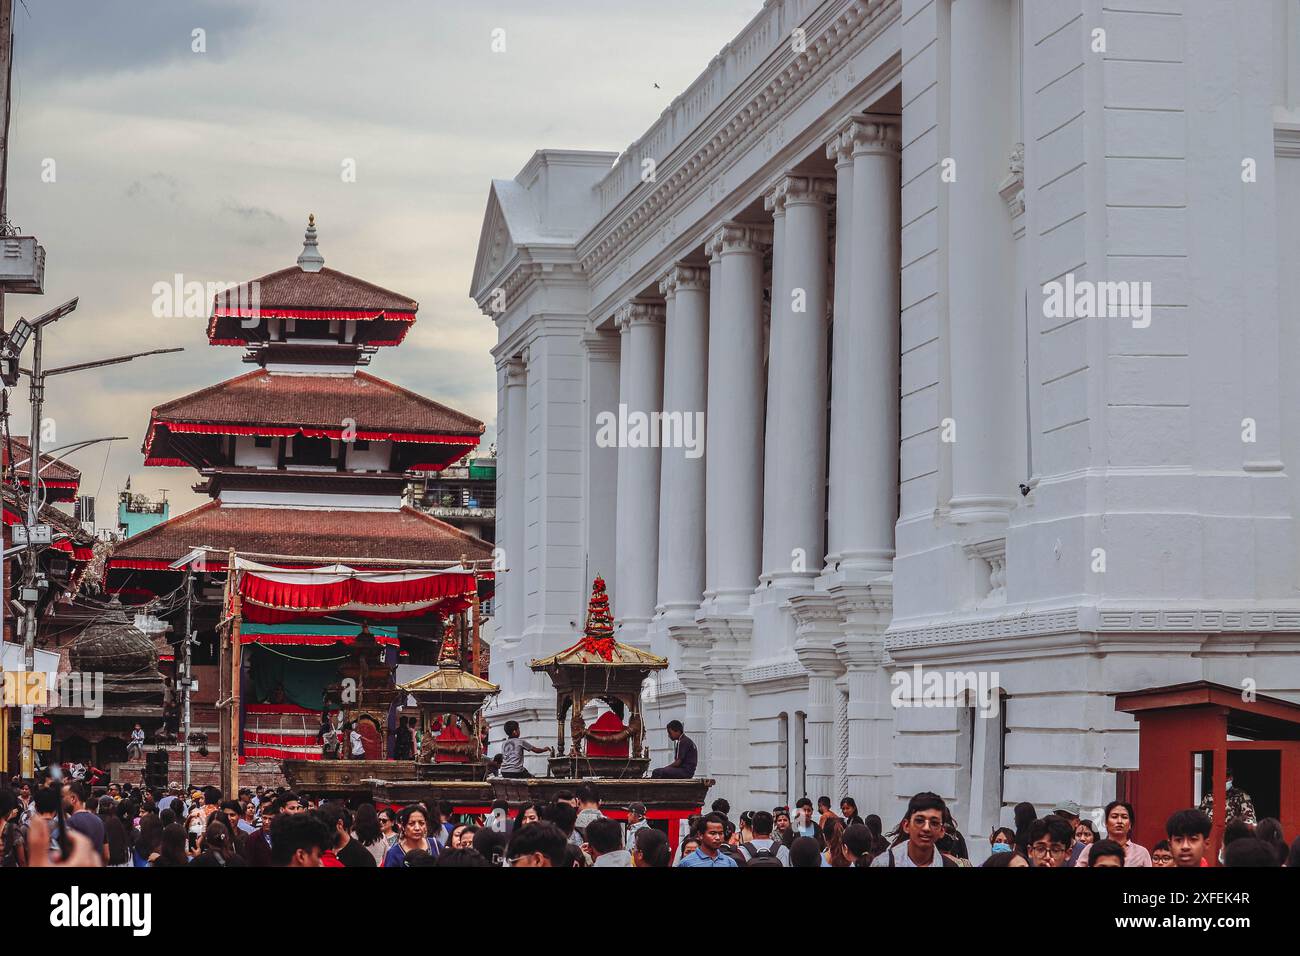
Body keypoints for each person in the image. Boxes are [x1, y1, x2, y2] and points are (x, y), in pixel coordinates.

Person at [871, 792, 959, 868]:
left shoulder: (949, 865)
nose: (926, 828)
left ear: (942, 831)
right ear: (906, 825)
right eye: (919, 821)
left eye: (934, 823)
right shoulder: (885, 862)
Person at [1074, 801, 1151, 867]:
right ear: (1106, 823)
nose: (1119, 821)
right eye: (1114, 817)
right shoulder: (1091, 849)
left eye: (1124, 817)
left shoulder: (1141, 852)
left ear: (1130, 824)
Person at [62, 781, 105, 860]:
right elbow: (106, 855)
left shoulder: (71, 823)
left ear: (73, 798)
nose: (61, 801)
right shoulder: (98, 821)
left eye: (62, 797)